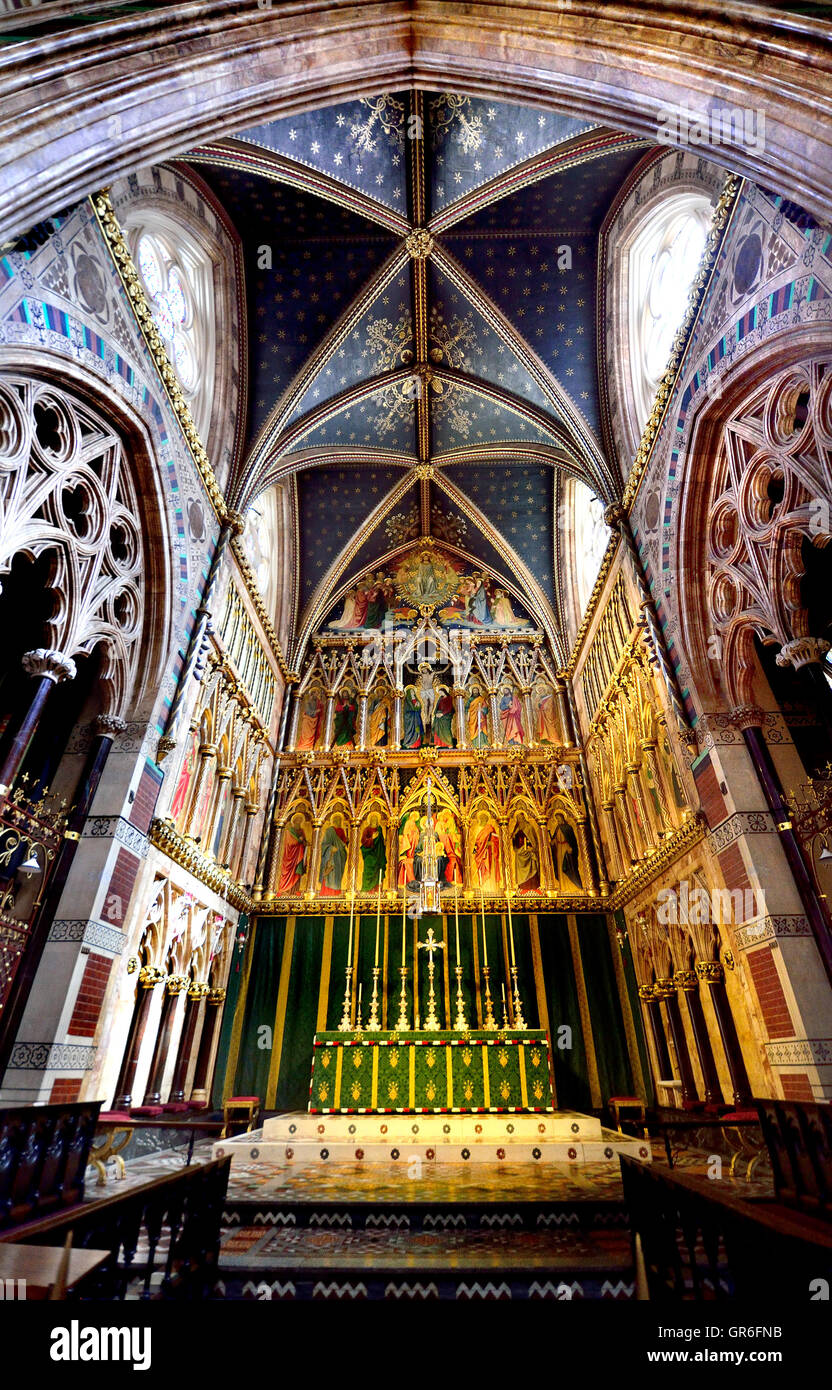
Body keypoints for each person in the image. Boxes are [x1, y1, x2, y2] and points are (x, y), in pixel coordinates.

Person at [277, 819, 308, 894]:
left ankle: (294, 891)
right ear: (293, 822)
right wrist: (299, 840)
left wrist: (304, 842)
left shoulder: (301, 831)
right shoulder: (289, 831)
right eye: (297, 822)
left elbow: (304, 842)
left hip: (299, 855)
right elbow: (289, 842)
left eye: (300, 822)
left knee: (297, 873)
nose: (298, 823)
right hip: (290, 856)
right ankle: (285, 890)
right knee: (290, 871)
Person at [319, 819, 348, 894]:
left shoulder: (341, 830)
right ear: (333, 821)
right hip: (331, 855)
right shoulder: (330, 830)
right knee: (330, 873)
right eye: (336, 820)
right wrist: (330, 848)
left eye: (339, 820)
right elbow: (324, 845)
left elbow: (343, 842)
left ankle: (336, 892)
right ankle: (328, 893)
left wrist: (346, 841)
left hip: (340, 855)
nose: (338, 822)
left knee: (337, 875)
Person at [360, 819, 387, 891]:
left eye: (375, 820)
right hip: (369, 854)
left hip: (378, 854)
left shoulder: (379, 829)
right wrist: (372, 839)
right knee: (368, 871)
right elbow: (363, 841)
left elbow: (382, 842)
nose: (374, 821)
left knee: (378, 871)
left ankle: (377, 891)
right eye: (373, 819)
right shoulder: (367, 829)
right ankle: (366, 891)